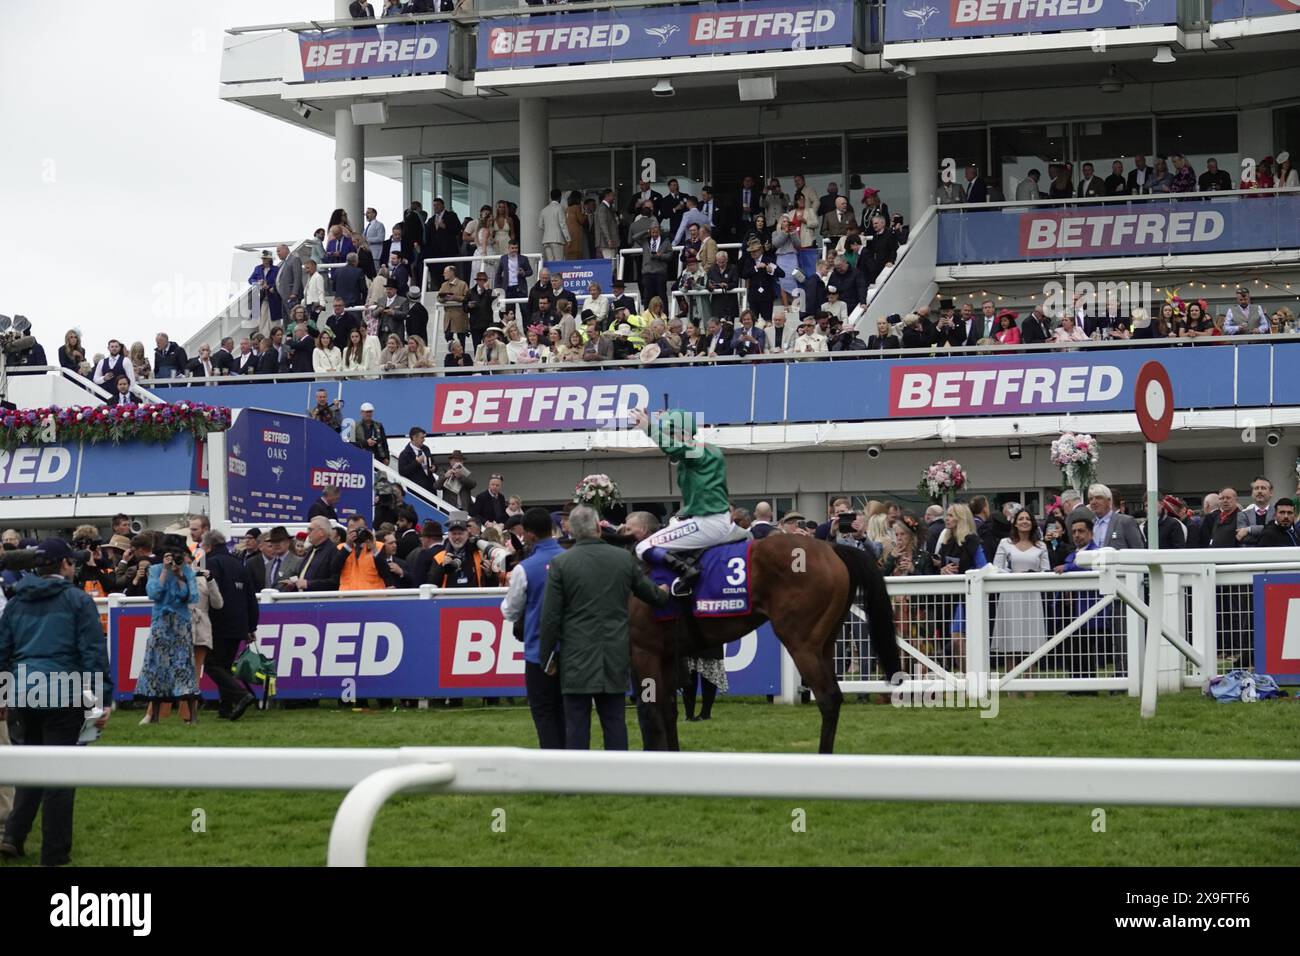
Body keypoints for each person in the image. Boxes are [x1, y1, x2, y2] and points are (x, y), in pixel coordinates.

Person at [0, 538, 113, 865]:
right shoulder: (77, 600)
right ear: (64, 564)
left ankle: (13, 836)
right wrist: (100, 701)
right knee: (60, 777)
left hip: (24, 693)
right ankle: (54, 853)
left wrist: (5, 693)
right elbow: (92, 654)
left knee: (31, 770)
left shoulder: (18, 601)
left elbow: (3, 653)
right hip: (65, 693)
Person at [538, 506, 670, 751]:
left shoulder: (560, 564)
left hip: (576, 656)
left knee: (576, 721)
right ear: (599, 527)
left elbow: (550, 617)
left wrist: (546, 656)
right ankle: (617, 774)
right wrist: (664, 591)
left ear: (573, 533)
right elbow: (652, 595)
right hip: (614, 653)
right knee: (614, 719)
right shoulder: (623, 559)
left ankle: (578, 775)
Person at [630, 407, 746, 595]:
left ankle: (688, 573)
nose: (667, 441)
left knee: (644, 547)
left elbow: (675, 448)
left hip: (708, 522)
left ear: (683, 434)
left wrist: (649, 427)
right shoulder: (701, 452)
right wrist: (665, 421)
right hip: (710, 519)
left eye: (670, 435)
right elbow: (676, 449)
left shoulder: (699, 452)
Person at [501, 507, 567, 748]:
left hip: (538, 652)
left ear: (528, 535)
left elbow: (510, 610)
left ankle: (553, 765)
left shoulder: (524, 569)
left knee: (543, 711)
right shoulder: (570, 559)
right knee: (568, 710)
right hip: (572, 649)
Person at [137, 536, 201, 725]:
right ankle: (154, 715)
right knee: (157, 666)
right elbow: (153, 593)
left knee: (184, 666)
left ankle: (192, 716)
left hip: (180, 624)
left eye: (178, 555)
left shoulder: (187, 572)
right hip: (161, 623)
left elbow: (191, 597)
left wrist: (180, 575)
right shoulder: (155, 570)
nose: (175, 558)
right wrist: (165, 570)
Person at [991, 509, 1050, 668]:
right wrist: (1013, 573)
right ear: (1015, 523)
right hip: (1010, 594)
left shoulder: (1041, 545)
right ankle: (1012, 687)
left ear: (1032, 523)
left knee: (1030, 637)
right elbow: (996, 567)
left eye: (1028, 519)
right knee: (1011, 636)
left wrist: (1033, 575)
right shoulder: (1005, 543)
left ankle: (1029, 685)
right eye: (1021, 519)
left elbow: (1046, 570)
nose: (1024, 521)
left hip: (1032, 595)